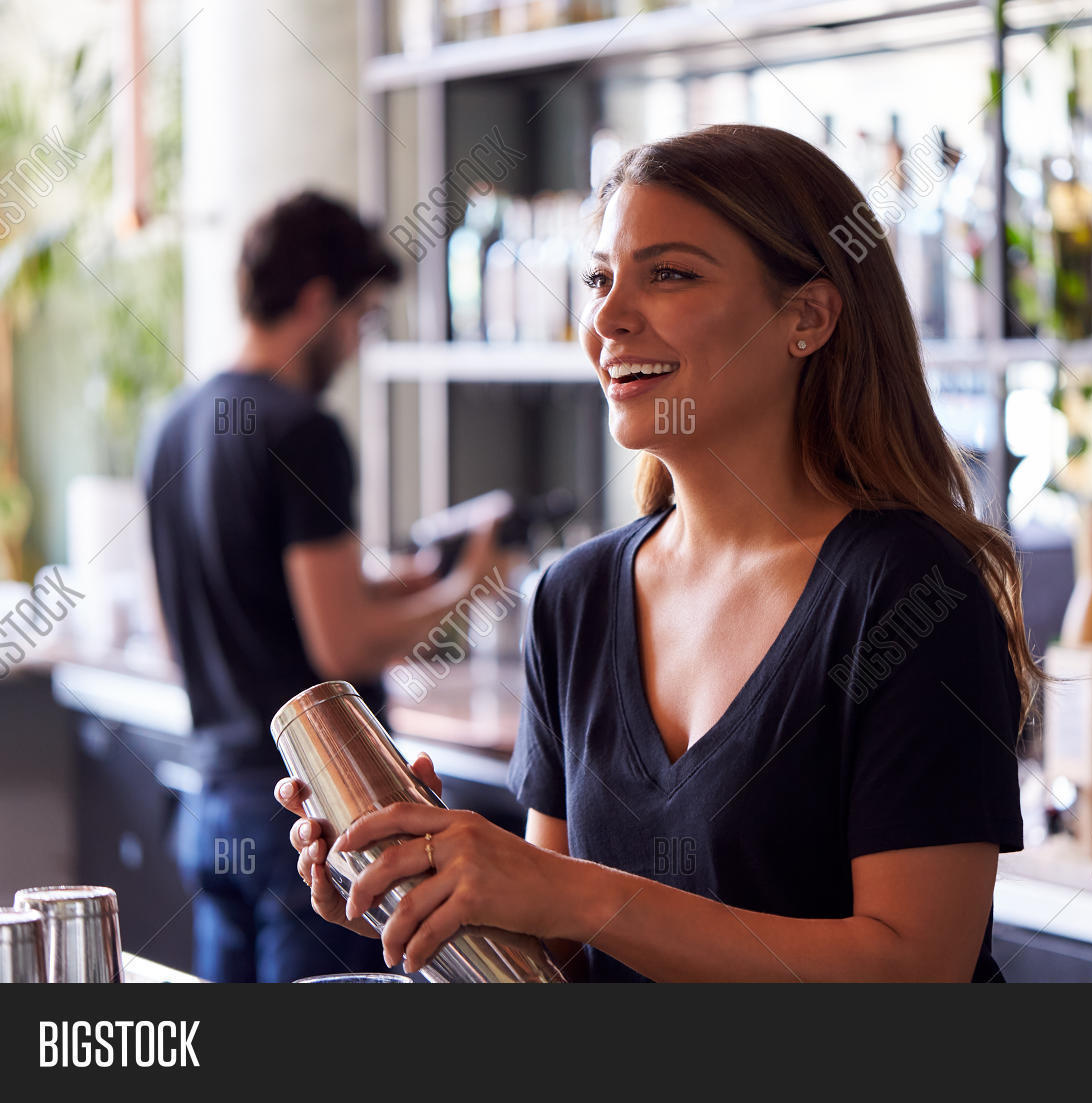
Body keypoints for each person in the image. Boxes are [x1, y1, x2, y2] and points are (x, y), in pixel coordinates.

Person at [278, 126, 1038, 981]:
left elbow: (916, 971)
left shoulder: (908, 591)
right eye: (599, 279)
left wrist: (568, 888)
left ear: (808, 316)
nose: (605, 317)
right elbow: (559, 967)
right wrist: (438, 885)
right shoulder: (576, 596)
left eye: (669, 274)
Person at [143, 190, 505, 982]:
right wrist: (475, 585)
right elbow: (339, 643)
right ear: (315, 299)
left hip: (212, 801)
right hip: (308, 820)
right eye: (359, 316)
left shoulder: (174, 424)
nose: (356, 341)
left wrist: (392, 583)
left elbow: (204, 621)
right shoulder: (301, 430)